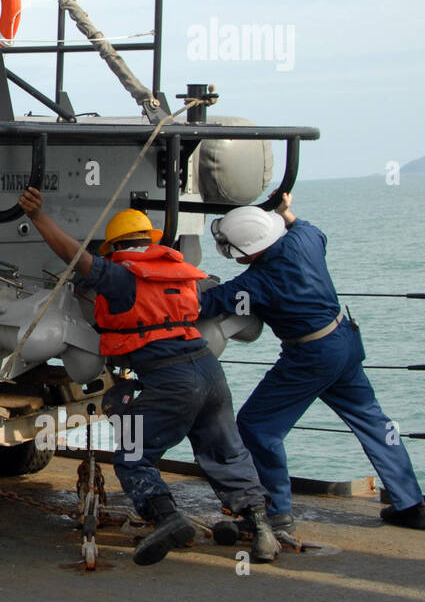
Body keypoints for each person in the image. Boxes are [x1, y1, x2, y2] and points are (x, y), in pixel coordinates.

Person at [18, 187, 280, 565]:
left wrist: (39, 216)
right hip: (210, 372)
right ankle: (262, 530)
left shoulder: (120, 278)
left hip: (172, 379)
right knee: (226, 453)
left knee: (133, 453)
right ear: (151, 240)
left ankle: (167, 518)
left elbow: (73, 256)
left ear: (117, 247)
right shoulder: (183, 275)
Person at [200, 192, 425, 531]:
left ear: (248, 249)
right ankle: (411, 504)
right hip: (345, 340)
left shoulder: (258, 281)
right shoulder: (304, 239)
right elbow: (310, 229)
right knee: (373, 423)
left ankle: (276, 511)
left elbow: (210, 303)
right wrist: (287, 213)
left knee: (257, 426)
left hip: (311, 355)